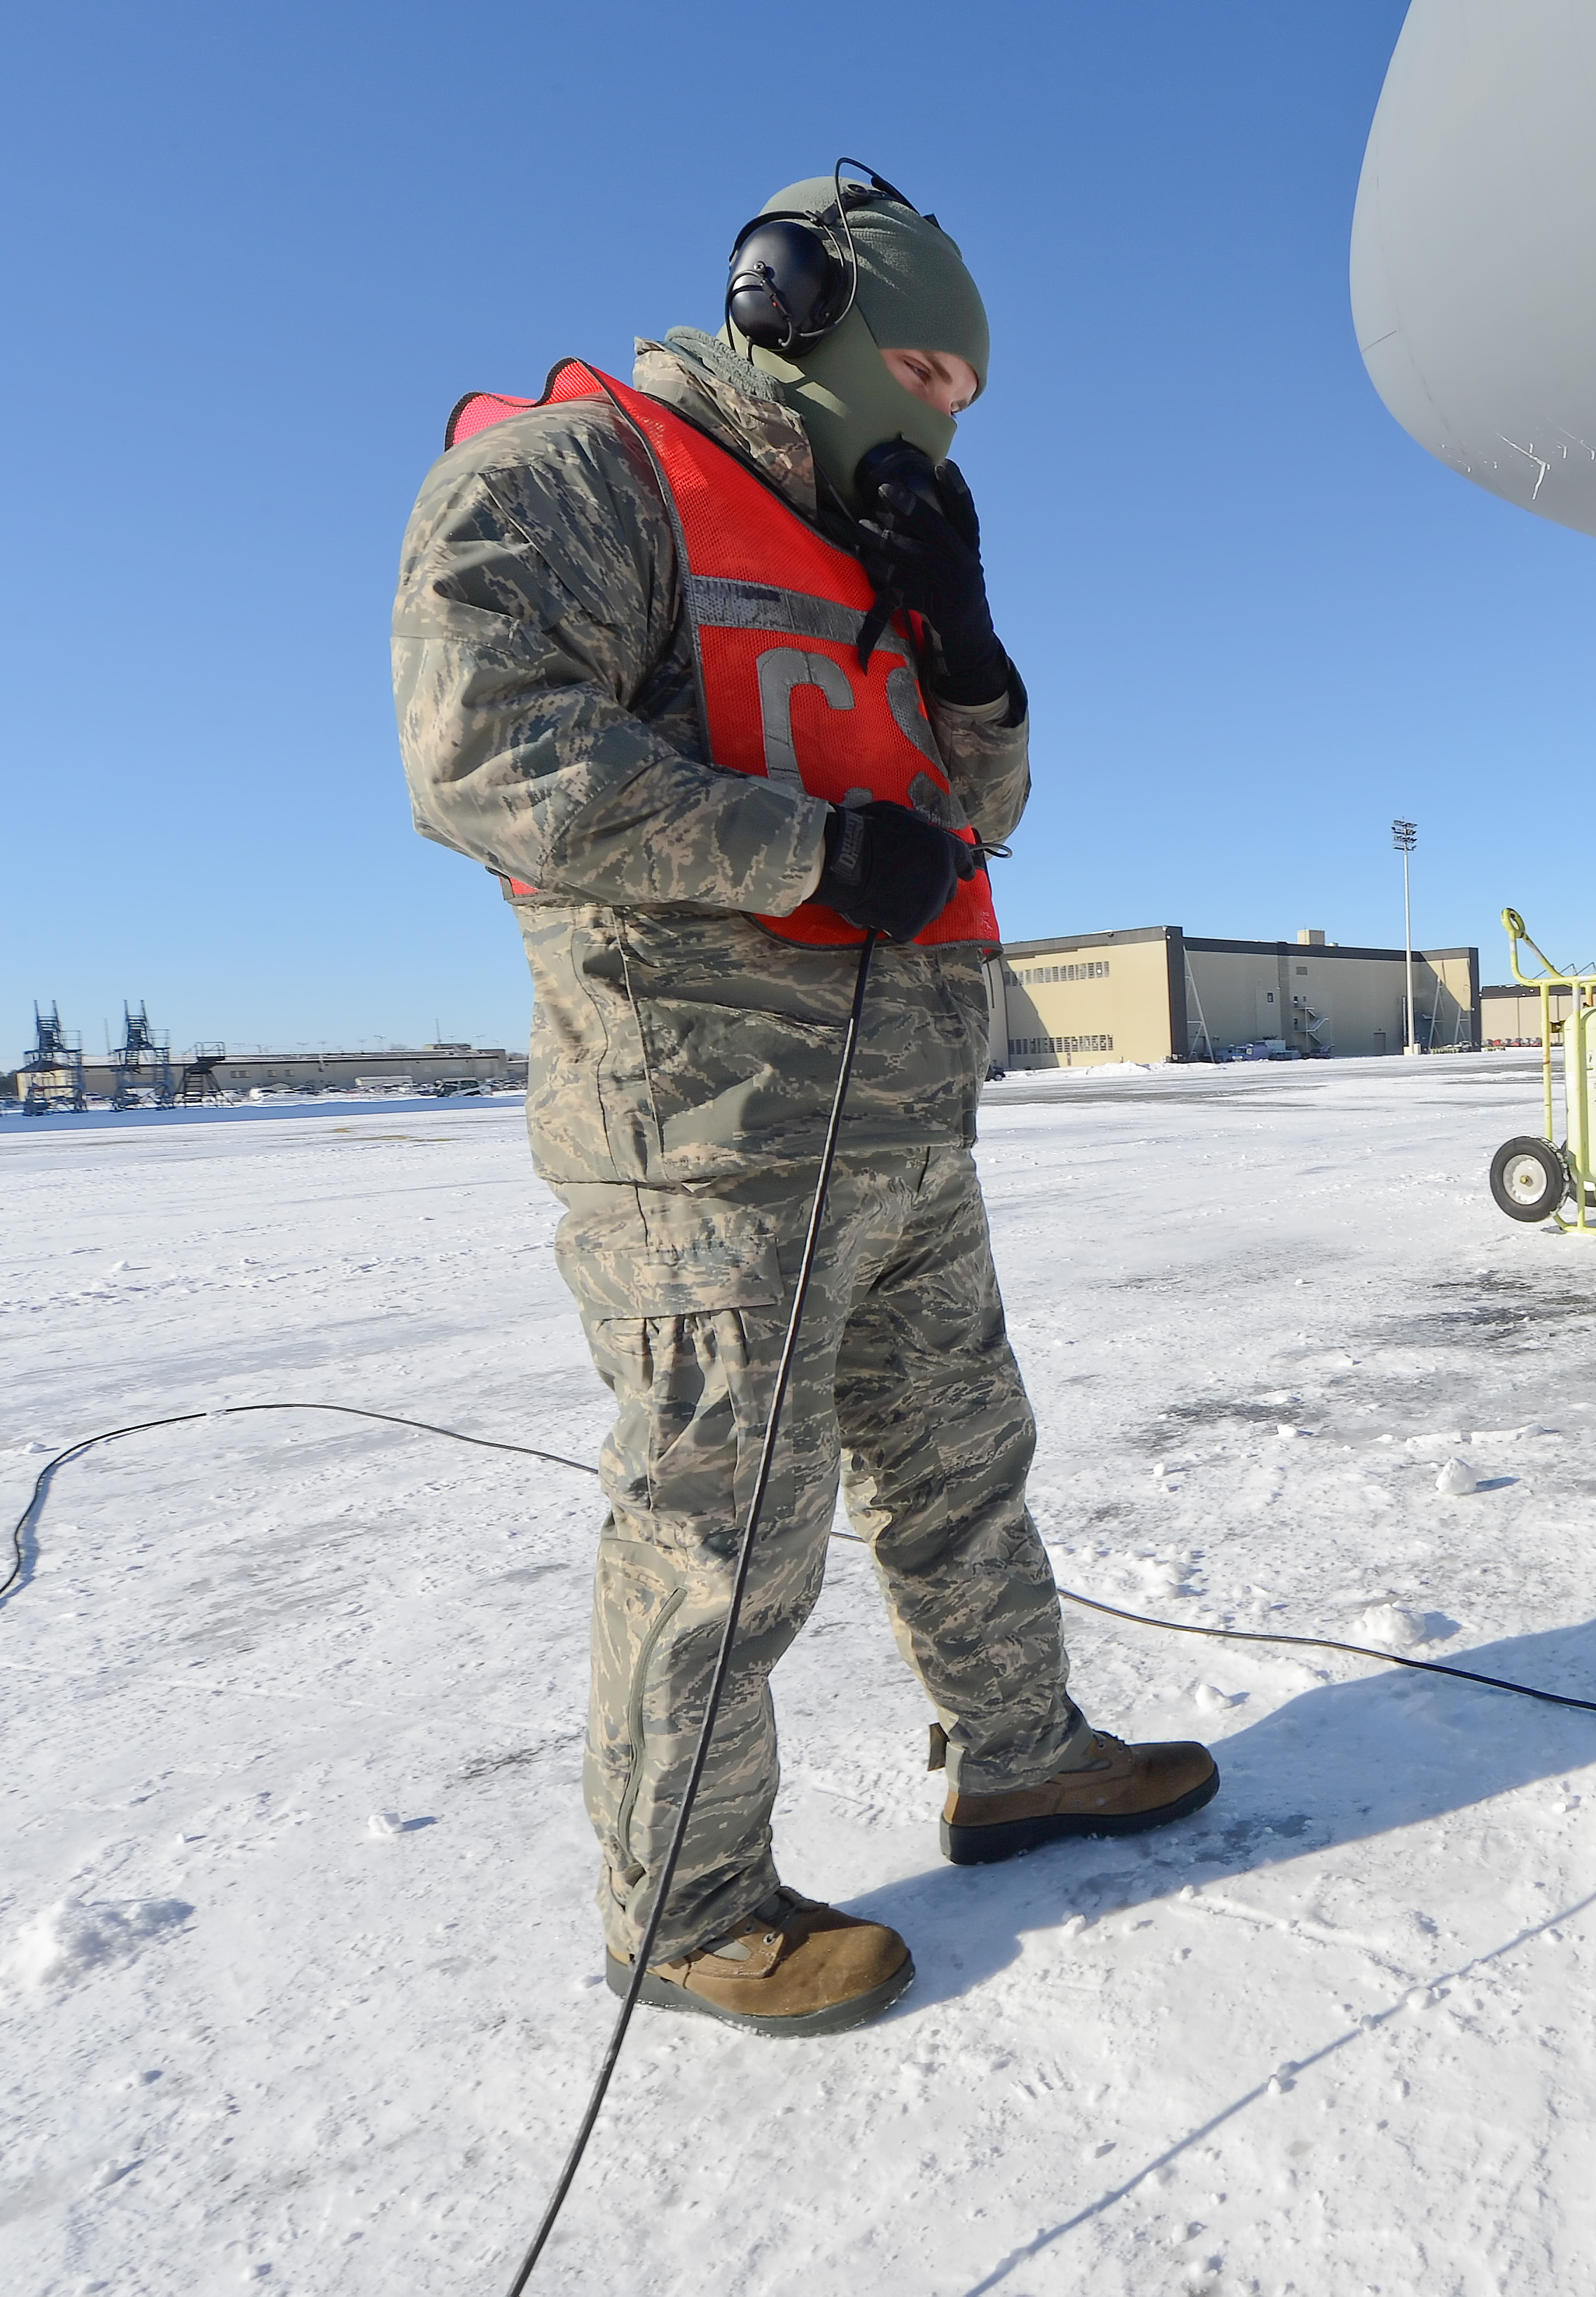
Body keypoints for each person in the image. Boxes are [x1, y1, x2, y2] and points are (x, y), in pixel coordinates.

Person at [389, 168, 1216, 2038]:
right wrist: (813, 850)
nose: (942, 421)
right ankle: (685, 1912)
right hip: (711, 1139)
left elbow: (983, 816)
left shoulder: (875, 544)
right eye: (921, 373)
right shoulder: (582, 478)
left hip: (906, 1120)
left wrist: (969, 648)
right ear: (793, 308)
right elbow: (481, 749)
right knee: (725, 1529)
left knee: (963, 1464)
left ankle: (1020, 1756)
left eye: (969, 398)